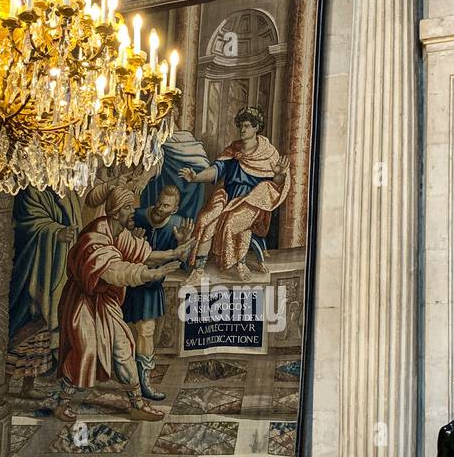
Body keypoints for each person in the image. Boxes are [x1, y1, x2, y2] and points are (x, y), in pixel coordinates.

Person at [56, 183, 188, 421]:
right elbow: (116, 272)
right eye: (129, 208)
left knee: (123, 347)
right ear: (117, 211)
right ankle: (63, 402)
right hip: (82, 303)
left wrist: (173, 254)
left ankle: (137, 403)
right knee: (86, 350)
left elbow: (143, 254)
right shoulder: (95, 238)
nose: (134, 213)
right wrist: (153, 274)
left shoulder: (119, 233)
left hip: (104, 302)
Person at [180, 106, 290, 282]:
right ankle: (198, 270)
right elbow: (217, 170)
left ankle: (240, 263)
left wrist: (280, 174)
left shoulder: (267, 153)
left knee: (233, 221)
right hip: (227, 197)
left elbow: (276, 183)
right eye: (241, 126)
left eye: (247, 126)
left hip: (252, 201)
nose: (243, 129)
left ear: (256, 127)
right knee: (206, 220)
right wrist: (195, 177)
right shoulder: (233, 150)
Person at [122, 186, 191, 401]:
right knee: (123, 332)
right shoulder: (138, 215)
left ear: (175, 208)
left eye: (167, 206)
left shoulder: (178, 224)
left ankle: (144, 382)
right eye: (159, 202)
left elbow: (183, 263)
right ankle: (126, 378)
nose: (161, 208)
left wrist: (181, 242)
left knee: (146, 331)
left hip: (150, 288)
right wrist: (130, 237)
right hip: (125, 281)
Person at [8, 186, 81, 380]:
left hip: (55, 272)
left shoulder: (66, 190)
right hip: (31, 270)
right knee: (24, 323)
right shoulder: (31, 191)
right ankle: (5, 382)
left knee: (42, 332)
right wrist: (56, 233)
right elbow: (27, 225)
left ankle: (28, 386)